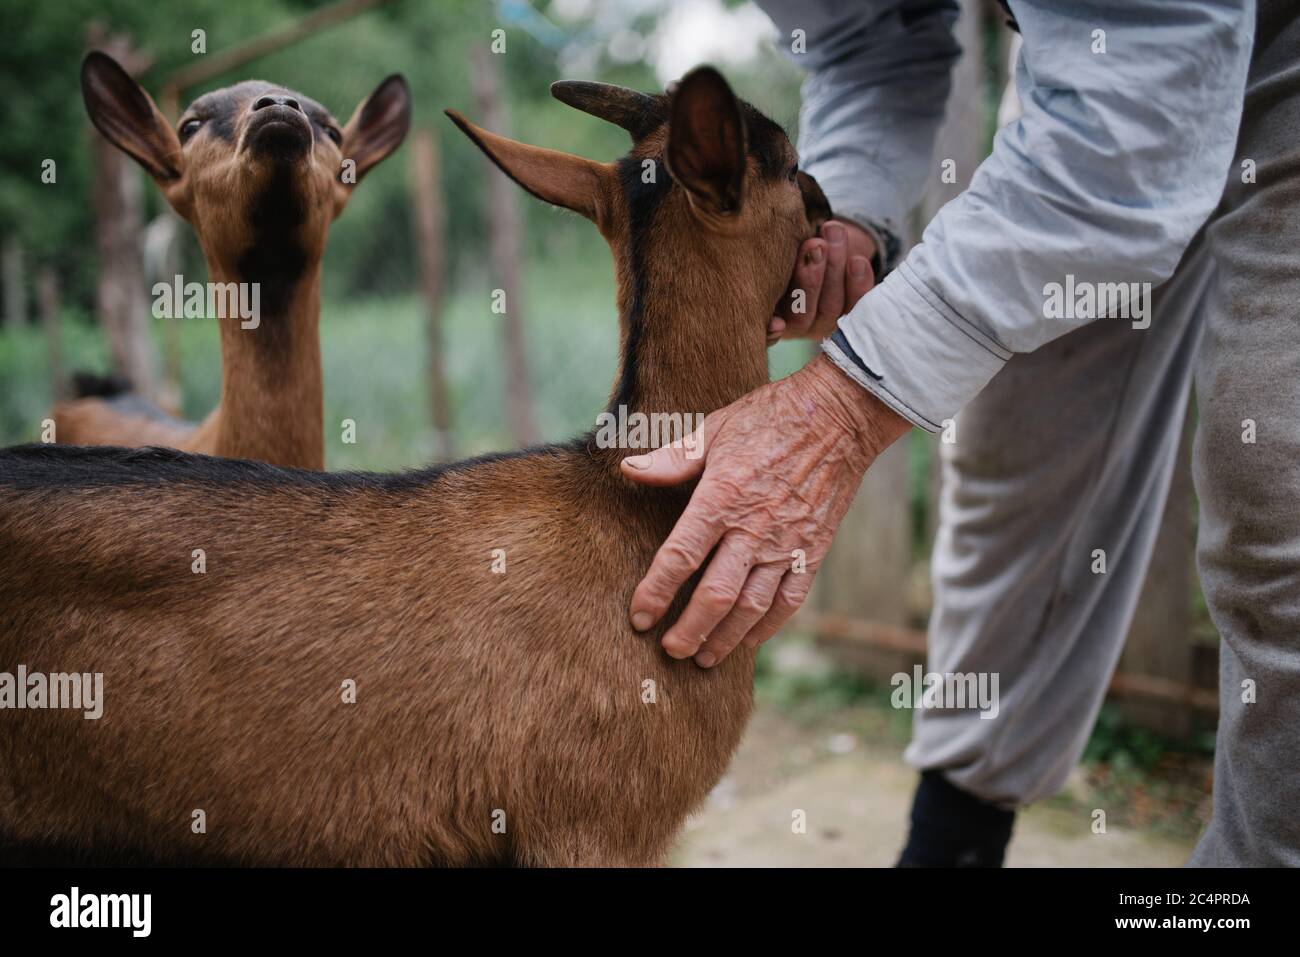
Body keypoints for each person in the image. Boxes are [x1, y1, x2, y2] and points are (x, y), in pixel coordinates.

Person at [622, 0, 1298, 866]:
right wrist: (851, 213)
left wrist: (840, 407)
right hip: (1093, 63)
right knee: (1017, 433)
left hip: (1246, 51)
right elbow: (873, 39)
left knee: (1279, 490)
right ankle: (951, 850)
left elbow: (1136, 121)